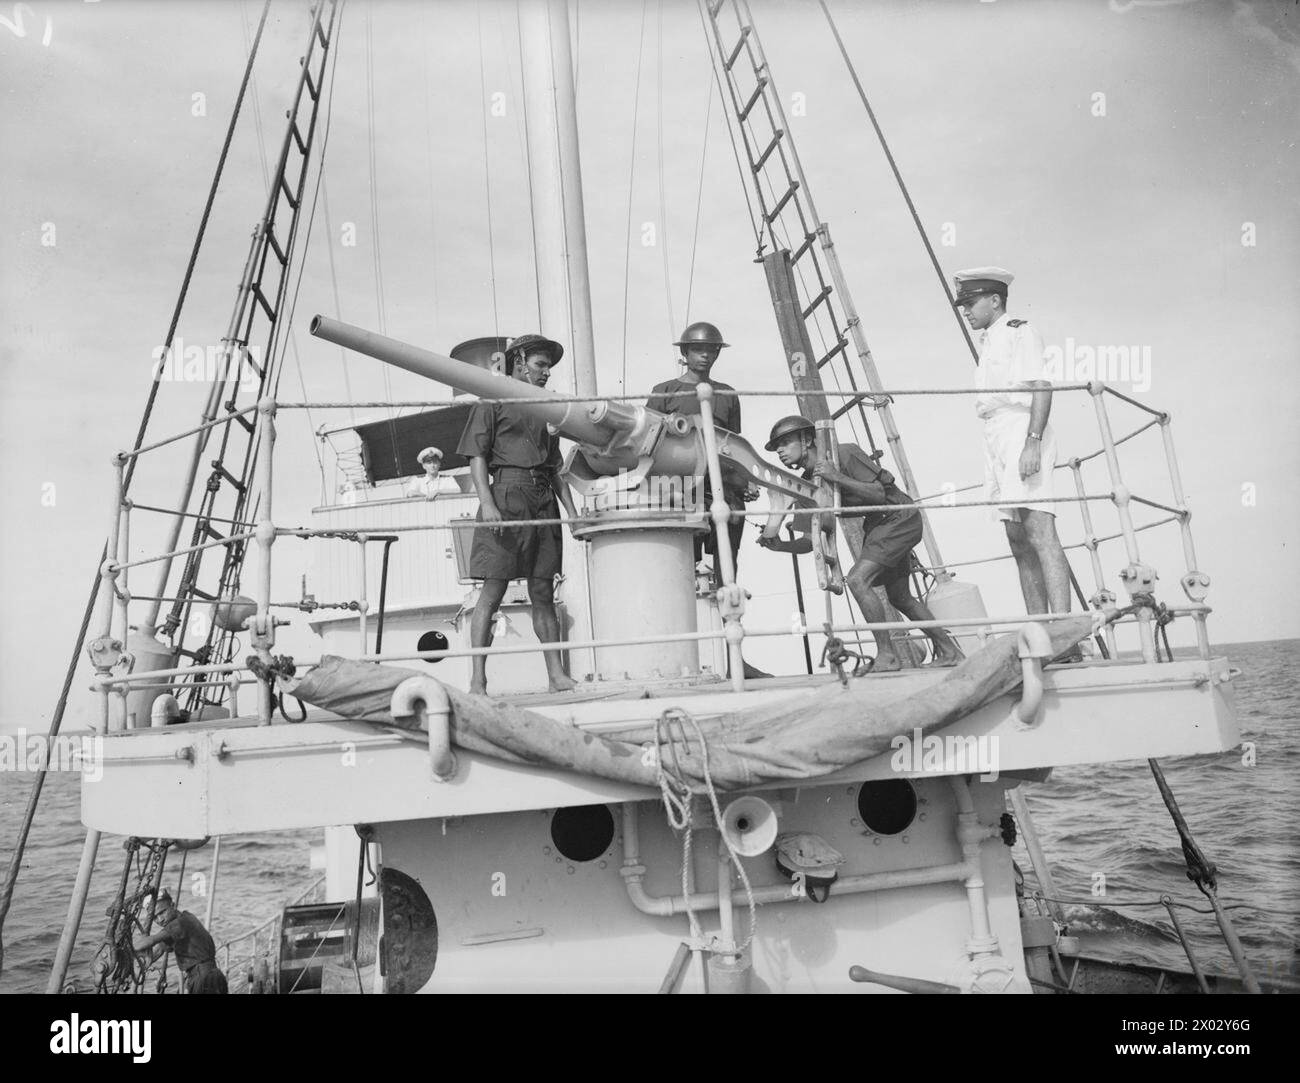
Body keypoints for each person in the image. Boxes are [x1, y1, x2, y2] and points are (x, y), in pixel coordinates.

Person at [758, 415, 964, 671]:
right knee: (901, 598)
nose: (779, 450)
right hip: (879, 526)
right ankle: (950, 652)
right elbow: (809, 542)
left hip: (898, 514)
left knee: (857, 580)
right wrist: (780, 546)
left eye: (785, 442)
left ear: (807, 439)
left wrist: (836, 477)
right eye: (777, 446)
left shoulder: (844, 453)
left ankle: (887, 656)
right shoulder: (806, 488)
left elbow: (878, 493)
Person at [952, 267, 1075, 650]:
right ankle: (1039, 632)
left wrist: (1033, 442)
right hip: (995, 435)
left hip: (1022, 427)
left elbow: (1041, 387)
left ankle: (1063, 635)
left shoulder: (1021, 332)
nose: (966, 311)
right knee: (1017, 539)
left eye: (971, 304)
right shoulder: (990, 341)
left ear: (995, 300)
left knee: (1040, 532)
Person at [457, 333, 580, 695]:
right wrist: (488, 504)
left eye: (549, 369)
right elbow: (476, 457)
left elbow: (556, 467)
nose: (546, 374)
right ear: (521, 360)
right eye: (541, 366)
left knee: (543, 590)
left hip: (543, 498)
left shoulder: (547, 406)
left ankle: (556, 675)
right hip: (507, 495)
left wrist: (571, 513)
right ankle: (478, 680)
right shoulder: (490, 400)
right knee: (492, 590)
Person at [645, 321, 758, 589]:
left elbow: (733, 445)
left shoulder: (726, 394)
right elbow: (648, 441)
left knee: (727, 557)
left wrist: (747, 479)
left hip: (721, 482)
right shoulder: (664, 391)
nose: (705, 355)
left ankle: (726, 612)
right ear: (685, 353)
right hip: (678, 483)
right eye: (697, 349)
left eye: (710, 350)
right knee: (681, 558)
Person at [132, 889, 228, 994]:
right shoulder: (185, 918)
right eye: (155, 917)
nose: (160, 920)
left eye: (163, 912)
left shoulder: (178, 924)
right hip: (211, 975)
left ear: (172, 905)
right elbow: (159, 949)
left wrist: (126, 951)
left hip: (203, 978)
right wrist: (141, 964)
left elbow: (152, 940)